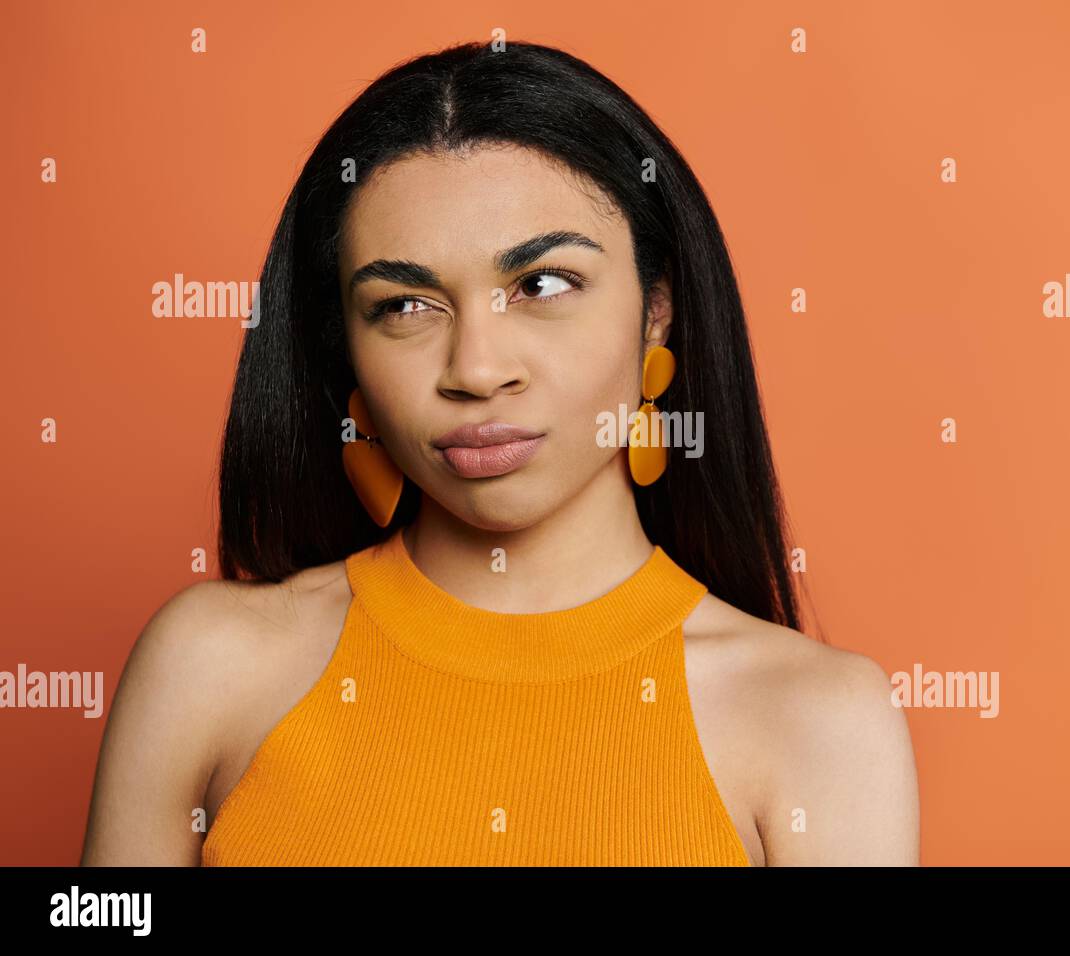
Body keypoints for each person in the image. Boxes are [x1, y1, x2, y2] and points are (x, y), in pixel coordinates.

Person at [81, 40, 918, 866]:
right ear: (346, 349)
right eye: (405, 305)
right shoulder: (207, 670)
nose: (476, 370)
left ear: (655, 312)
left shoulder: (820, 722)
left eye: (543, 285)